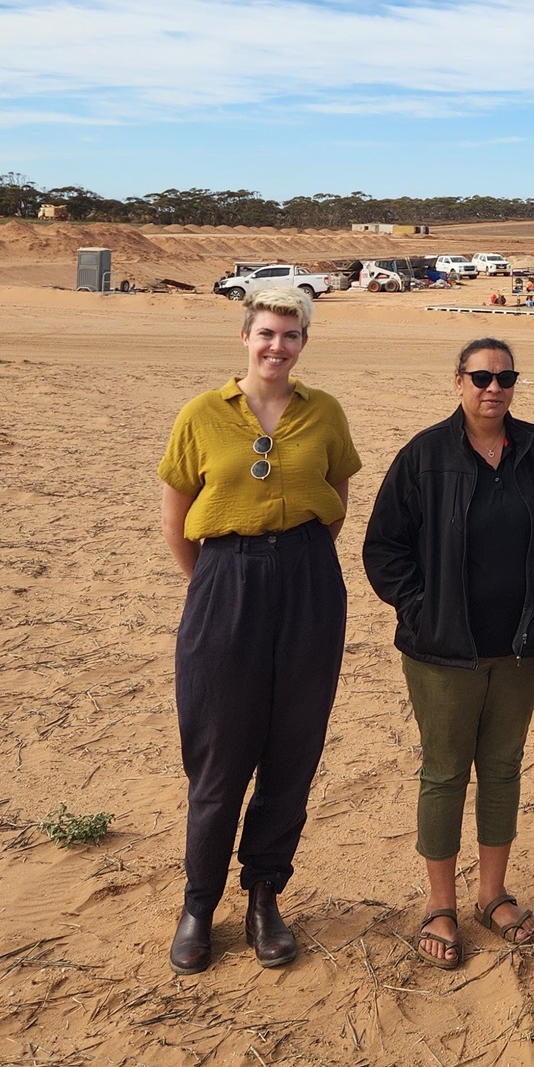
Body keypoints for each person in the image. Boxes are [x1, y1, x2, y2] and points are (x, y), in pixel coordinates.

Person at [158, 287, 362, 975]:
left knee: (292, 748)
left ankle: (264, 896)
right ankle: (198, 904)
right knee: (218, 752)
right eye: (267, 333)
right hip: (224, 580)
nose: (278, 346)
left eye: (291, 335)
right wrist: (222, 580)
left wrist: (295, 559)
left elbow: (334, 496)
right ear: (245, 337)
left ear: (303, 343)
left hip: (309, 579)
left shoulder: (324, 412)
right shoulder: (201, 415)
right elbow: (176, 515)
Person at [362, 339, 534, 970]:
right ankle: (440, 904)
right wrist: (421, 611)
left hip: (518, 648)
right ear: (458, 381)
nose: (494, 387)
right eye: (482, 376)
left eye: (506, 376)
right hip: (441, 653)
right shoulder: (425, 456)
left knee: (504, 767)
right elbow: (384, 549)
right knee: (445, 770)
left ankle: (491, 895)